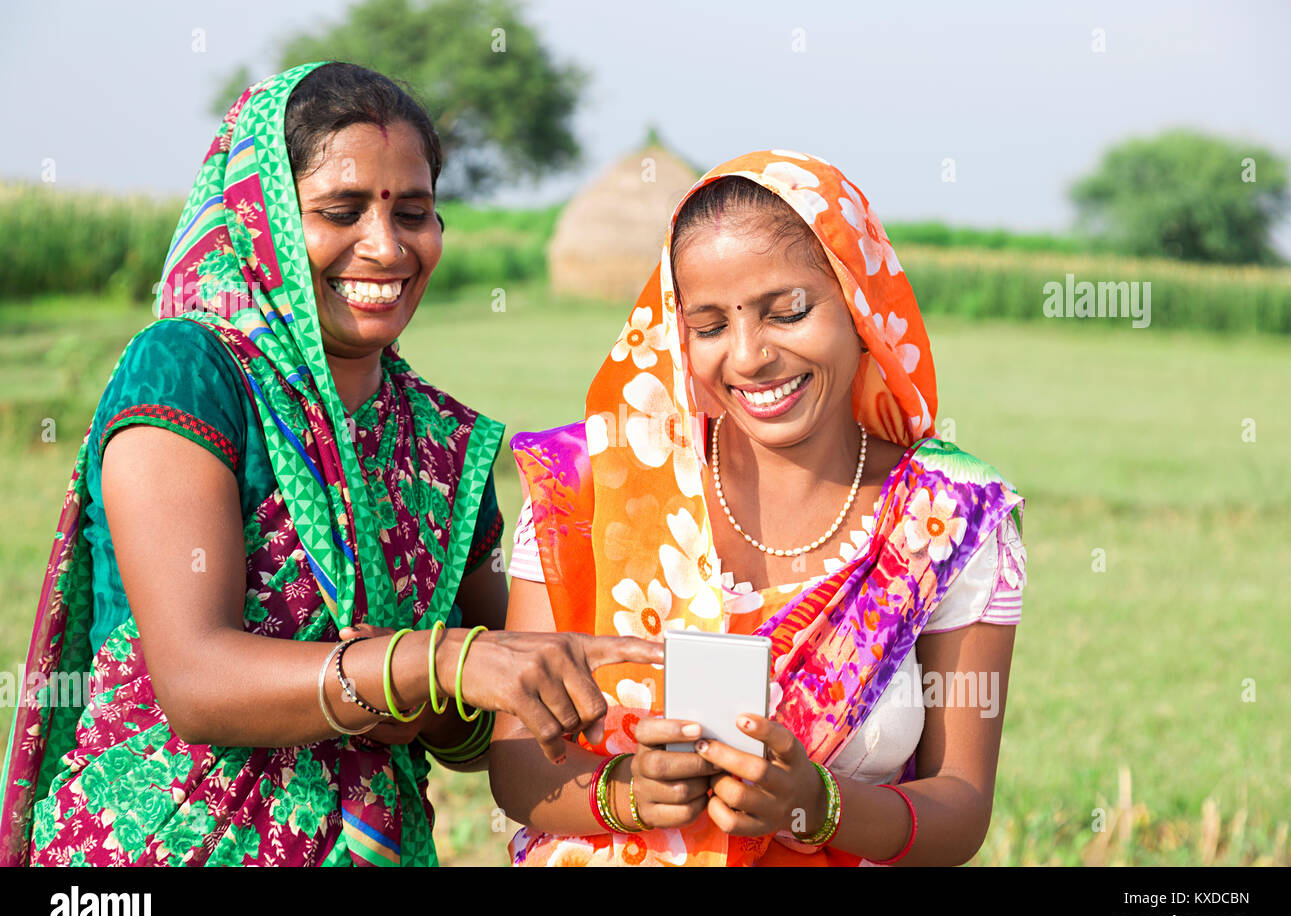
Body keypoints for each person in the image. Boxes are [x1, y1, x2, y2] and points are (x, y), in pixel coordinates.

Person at [0, 62, 658, 867]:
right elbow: (198, 682)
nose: (385, 246)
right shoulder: (190, 374)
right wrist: (427, 662)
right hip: (159, 850)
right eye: (341, 212)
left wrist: (437, 694)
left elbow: (487, 721)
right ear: (262, 221)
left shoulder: (445, 444)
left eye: (413, 213)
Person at [489, 150, 1028, 866]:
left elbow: (959, 804)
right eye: (710, 325)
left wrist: (817, 806)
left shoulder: (944, 520)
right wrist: (626, 794)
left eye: (788, 312)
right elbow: (518, 765)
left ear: (859, 303)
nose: (748, 357)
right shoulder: (588, 490)